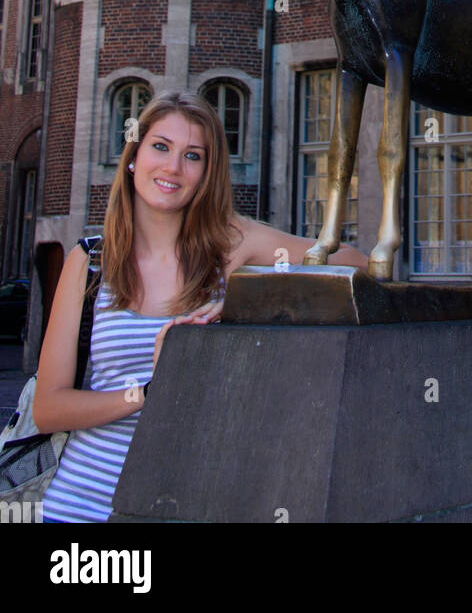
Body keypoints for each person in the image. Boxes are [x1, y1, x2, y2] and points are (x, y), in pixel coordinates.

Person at [34, 89, 366, 522]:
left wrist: (244, 308)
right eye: (161, 147)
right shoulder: (91, 260)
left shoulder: (230, 246)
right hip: (74, 507)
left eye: (193, 156)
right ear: (134, 157)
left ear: (206, 173)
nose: (173, 167)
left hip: (183, 504)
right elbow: (48, 410)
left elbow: (357, 263)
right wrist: (148, 391)